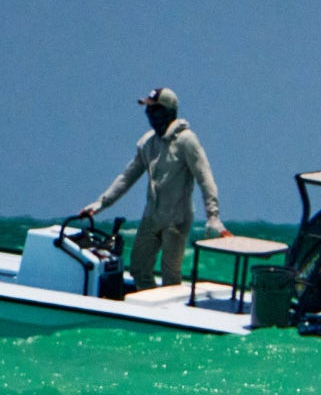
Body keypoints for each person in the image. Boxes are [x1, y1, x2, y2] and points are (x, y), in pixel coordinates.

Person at [76, 87, 225, 289]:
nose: (149, 114)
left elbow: (205, 178)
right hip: (152, 216)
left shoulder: (186, 140)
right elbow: (127, 177)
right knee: (138, 268)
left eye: (154, 109)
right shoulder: (147, 143)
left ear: (168, 111)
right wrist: (100, 204)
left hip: (177, 219)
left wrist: (213, 216)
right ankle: (148, 302)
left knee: (170, 275)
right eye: (148, 109)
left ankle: (168, 308)